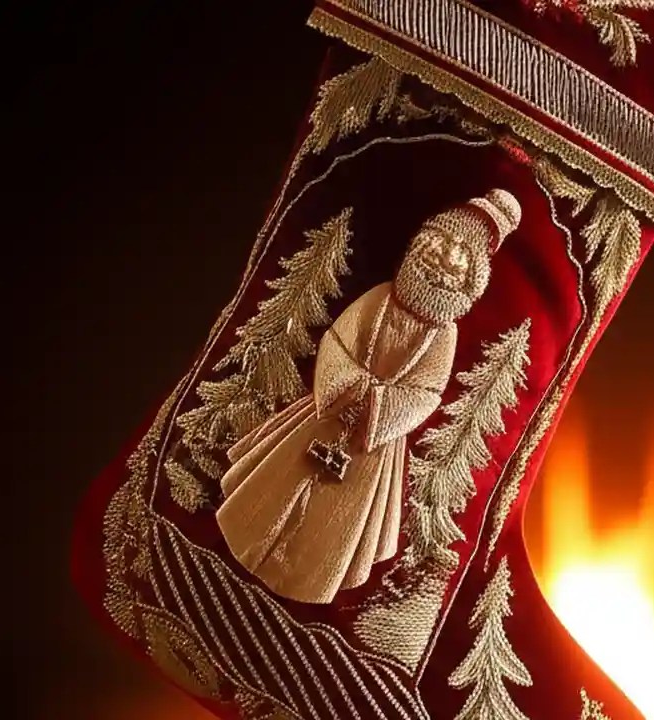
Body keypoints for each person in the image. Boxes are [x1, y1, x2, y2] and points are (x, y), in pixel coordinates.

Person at [215, 189, 522, 604]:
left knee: (336, 520)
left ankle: (310, 576)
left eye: (458, 254)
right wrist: (349, 386)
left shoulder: (443, 334)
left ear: (470, 278)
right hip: (332, 411)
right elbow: (339, 340)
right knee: (278, 482)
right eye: (440, 243)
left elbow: (426, 392)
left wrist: (378, 407)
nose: (443, 257)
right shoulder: (380, 298)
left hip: (372, 440)